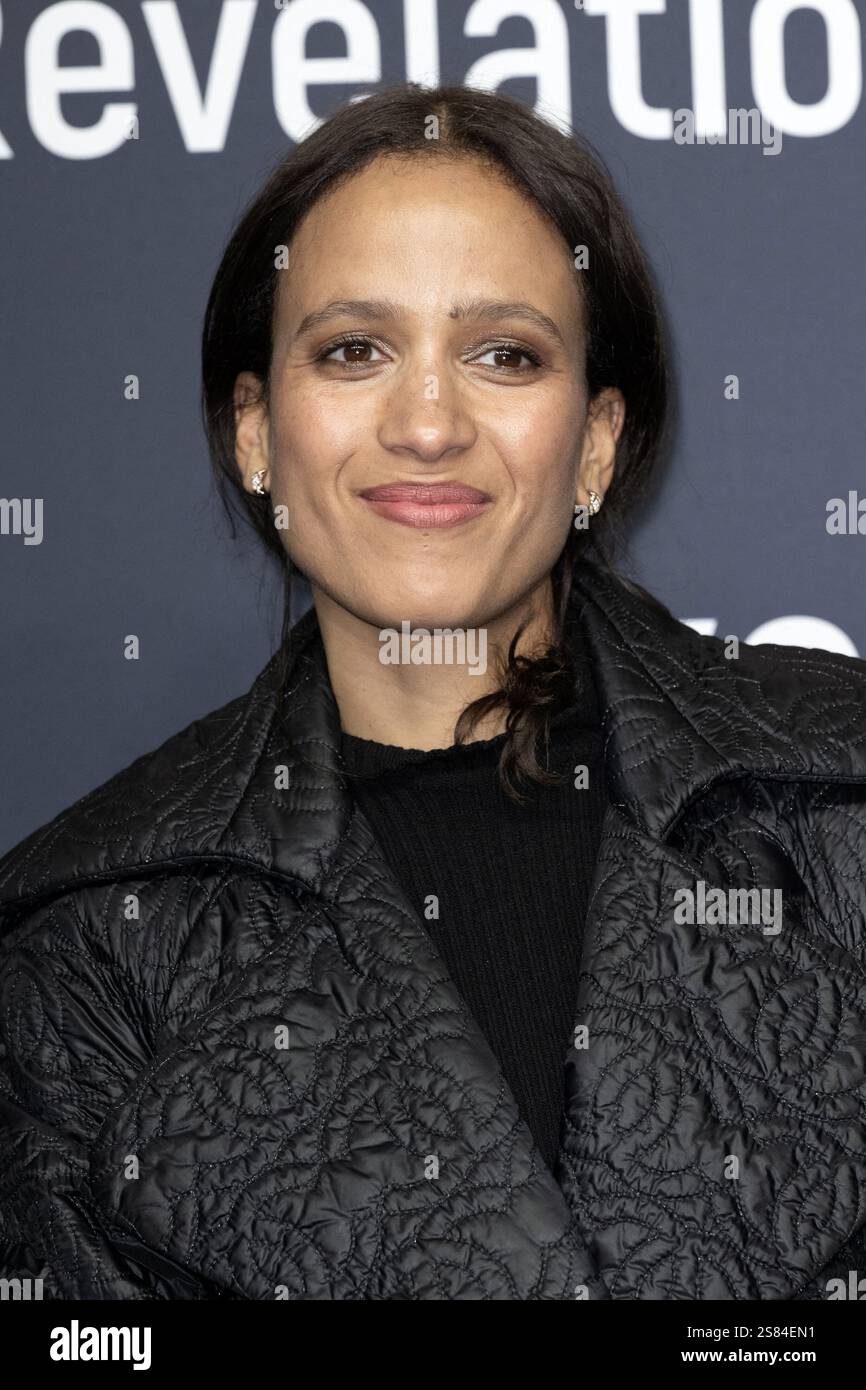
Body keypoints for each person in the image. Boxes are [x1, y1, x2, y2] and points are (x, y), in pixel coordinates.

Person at [1, 83, 865, 1303]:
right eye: (353, 348)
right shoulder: (86, 946)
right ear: (254, 431)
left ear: (597, 442)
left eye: (503, 354)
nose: (425, 423)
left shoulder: (840, 809)